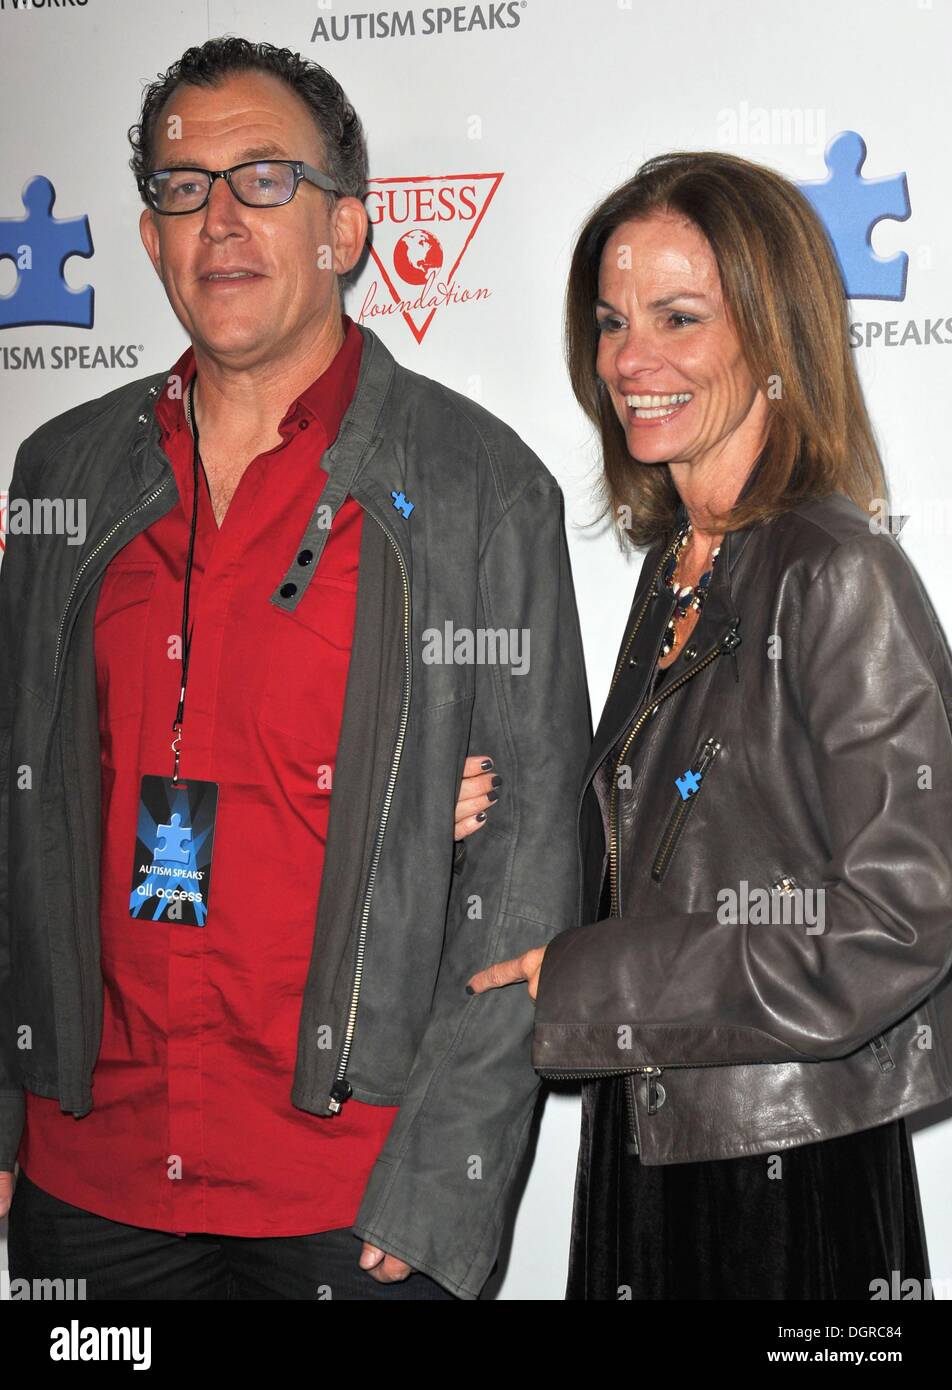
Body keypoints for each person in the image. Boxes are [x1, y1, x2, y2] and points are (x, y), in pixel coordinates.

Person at [0, 37, 591, 1301]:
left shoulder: (479, 488)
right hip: (88, 1188)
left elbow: (531, 862)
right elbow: (17, 803)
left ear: (347, 226)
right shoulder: (59, 478)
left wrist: (453, 1173)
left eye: (264, 179)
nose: (219, 219)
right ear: (150, 238)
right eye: (182, 186)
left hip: (353, 1197)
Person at [464, 151, 952, 1299]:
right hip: (654, 1135)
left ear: (772, 339)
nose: (630, 361)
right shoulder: (673, 568)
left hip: (786, 1166)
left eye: (678, 317)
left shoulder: (835, 569)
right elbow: (658, 862)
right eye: (611, 320)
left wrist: (603, 983)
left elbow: (901, 915)